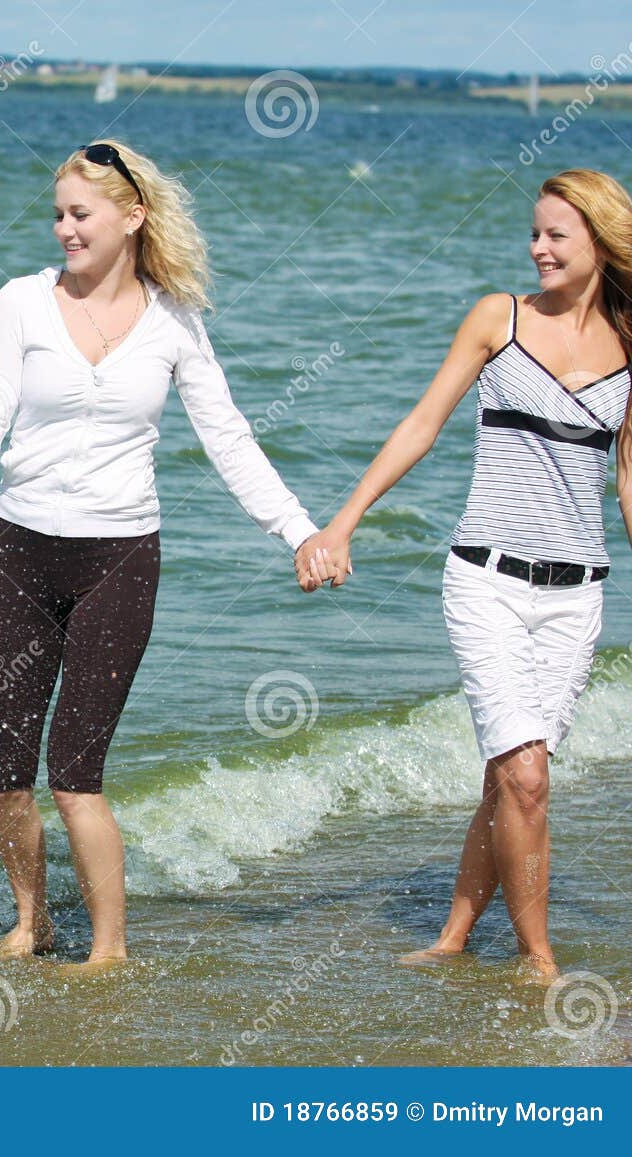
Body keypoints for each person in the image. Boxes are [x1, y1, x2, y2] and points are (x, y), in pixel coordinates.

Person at [0, 141, 325, 972]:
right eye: (56, 214)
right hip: (22, 549)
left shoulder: (174, 323)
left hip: (119, 557)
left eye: (79, 214)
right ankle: (32, 921)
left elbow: (230, 441)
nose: (63, 228)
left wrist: (297, 530)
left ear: (131, 218)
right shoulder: (20, 302)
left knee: (75, 771)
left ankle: (110, 952)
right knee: (1, 770)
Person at [299, 169, 632, 981]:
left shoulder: (631, 346)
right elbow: (421, 423)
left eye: (557, 234)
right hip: (485, 579)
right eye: (534, 232)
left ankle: (453, 933)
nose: (538, 248)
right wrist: (342, 523)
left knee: (511, 781)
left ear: (599, 239)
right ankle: (539, 959)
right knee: (527, 774)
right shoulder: (500, 318)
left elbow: (629, 481)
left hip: (576, 592)